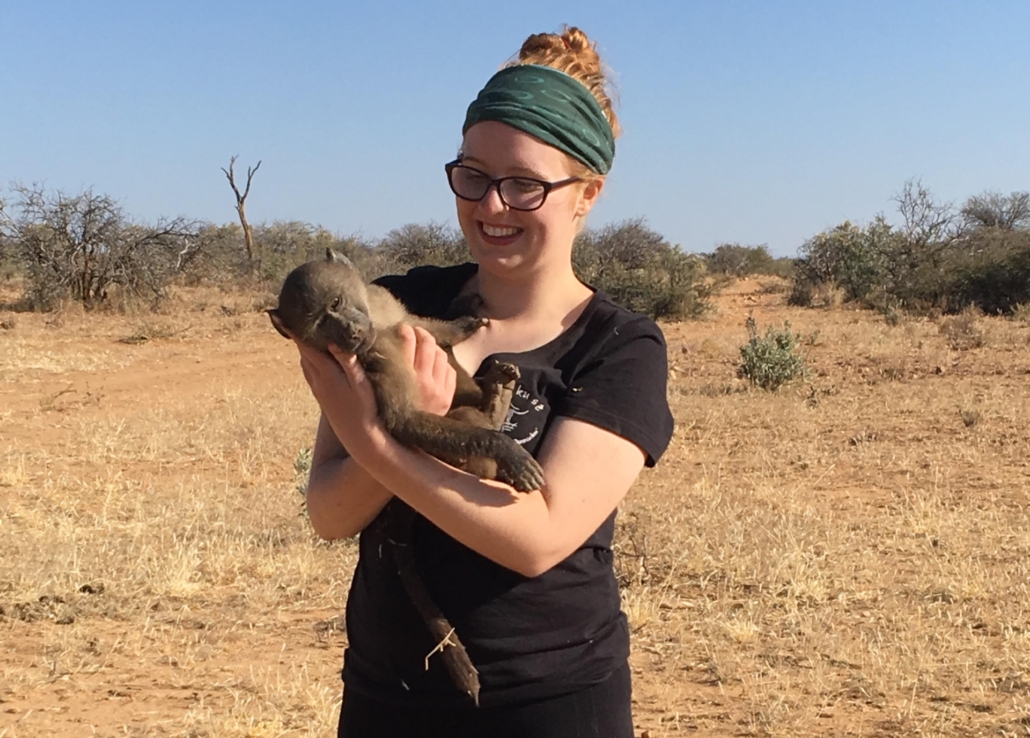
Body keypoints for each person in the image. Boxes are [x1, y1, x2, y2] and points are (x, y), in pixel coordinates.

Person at [295, 26, 675, 738]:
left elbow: (537, 537)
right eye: (472, 175)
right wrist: (396, 439)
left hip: (550, 703)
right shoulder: (398, 302)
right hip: (387, 694)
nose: (490, 205)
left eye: (524, 185)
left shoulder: (620, 348)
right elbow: (328, 513)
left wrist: (383, 442)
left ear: (588, 192)